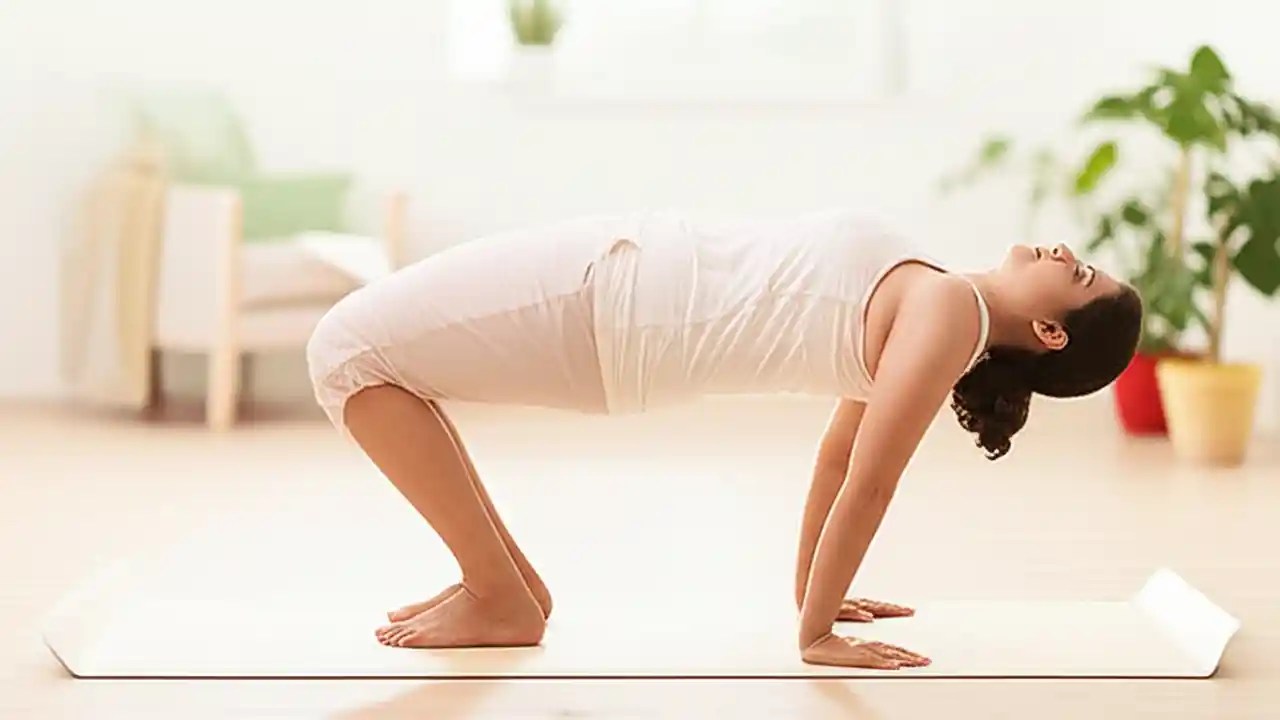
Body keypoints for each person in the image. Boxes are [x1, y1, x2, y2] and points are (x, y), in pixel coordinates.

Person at [305, 208, 1143, 669]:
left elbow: (870, 482)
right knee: (369, 357)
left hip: (611, 311)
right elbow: (836, 457)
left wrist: (815, 633)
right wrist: (812, 592)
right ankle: (502, 585)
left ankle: (497, 594)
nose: (1064, 250)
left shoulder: (948, 313)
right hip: (613, 287)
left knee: (345, 351)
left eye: (1076, 275)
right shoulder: (939, 301)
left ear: (1049, 331)